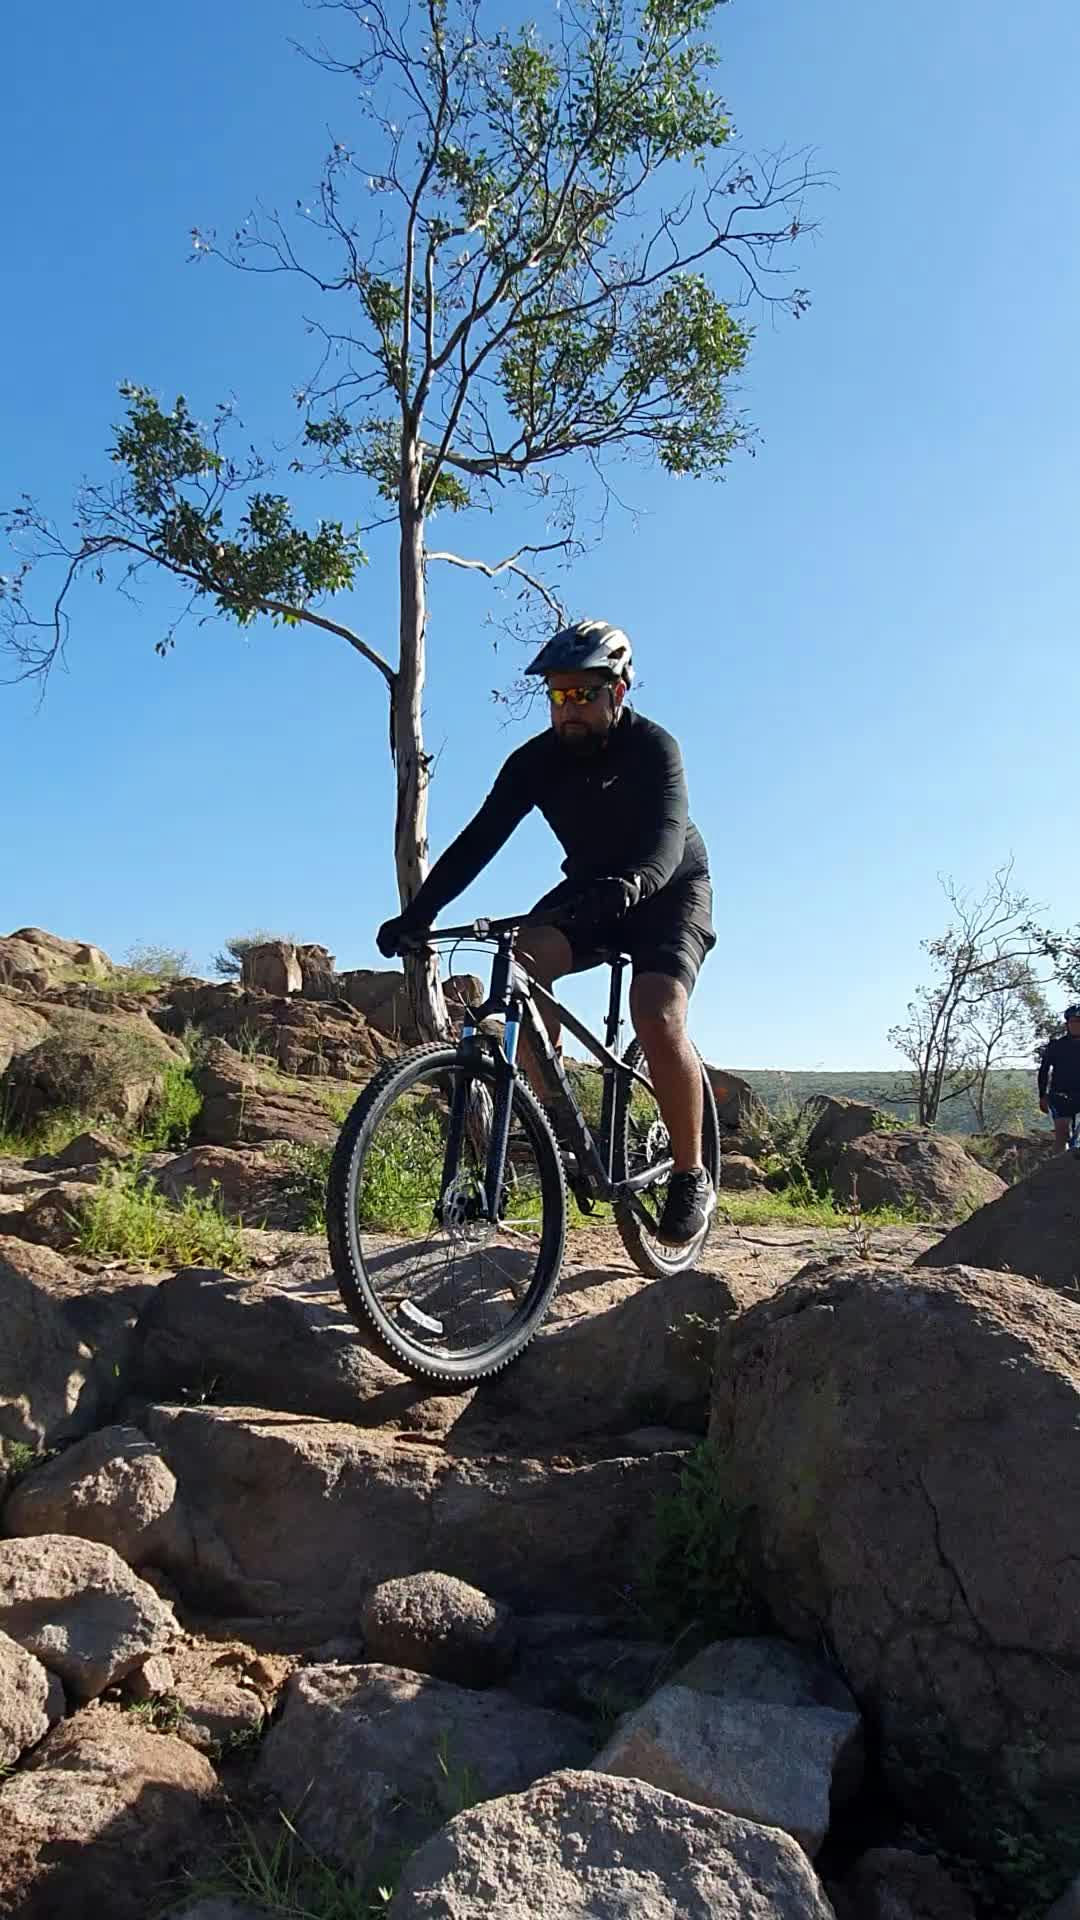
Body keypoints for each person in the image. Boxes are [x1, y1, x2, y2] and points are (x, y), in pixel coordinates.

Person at [376, 619, 717, 1246]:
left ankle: (692, 1174)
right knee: (522, 965)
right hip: (592, 888)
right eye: (558, 696)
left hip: (667, 892)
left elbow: (667, 843)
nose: (569, 709)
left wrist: (634, 887)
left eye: (583, 694)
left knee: (657, 1014)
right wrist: (418, 914)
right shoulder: (534, 762)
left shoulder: (654, 748)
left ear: (618, 691)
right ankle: (556, 1117)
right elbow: (479, 840)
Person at [1038, 1006, 1080, 1150]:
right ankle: (1055, 1169)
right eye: (1073, 1021)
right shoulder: (1056, 1046)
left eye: (1079, 1021)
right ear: (1067, 1024)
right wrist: (1042, 1095)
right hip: (1060, 1095)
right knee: (1062, 1136)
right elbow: (1044, 1070)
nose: (1076, 1025)